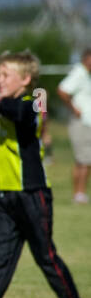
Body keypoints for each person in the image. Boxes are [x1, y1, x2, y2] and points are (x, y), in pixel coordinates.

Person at [0, 51, 86, 298]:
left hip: (33, 194)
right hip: (7, 194)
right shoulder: (5, 103)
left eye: (4, 76)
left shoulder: (34, 100)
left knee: (45, 255)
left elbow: (17, 113)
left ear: (25, 79)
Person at [57, 47, 91, 204]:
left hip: (86, 123)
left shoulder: (87, 75)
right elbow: (62, 90)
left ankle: (80, 193)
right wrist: (74, 108)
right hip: (81, 123)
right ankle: (79, 193)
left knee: (84, 159)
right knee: (84, 159)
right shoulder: (79, 73)